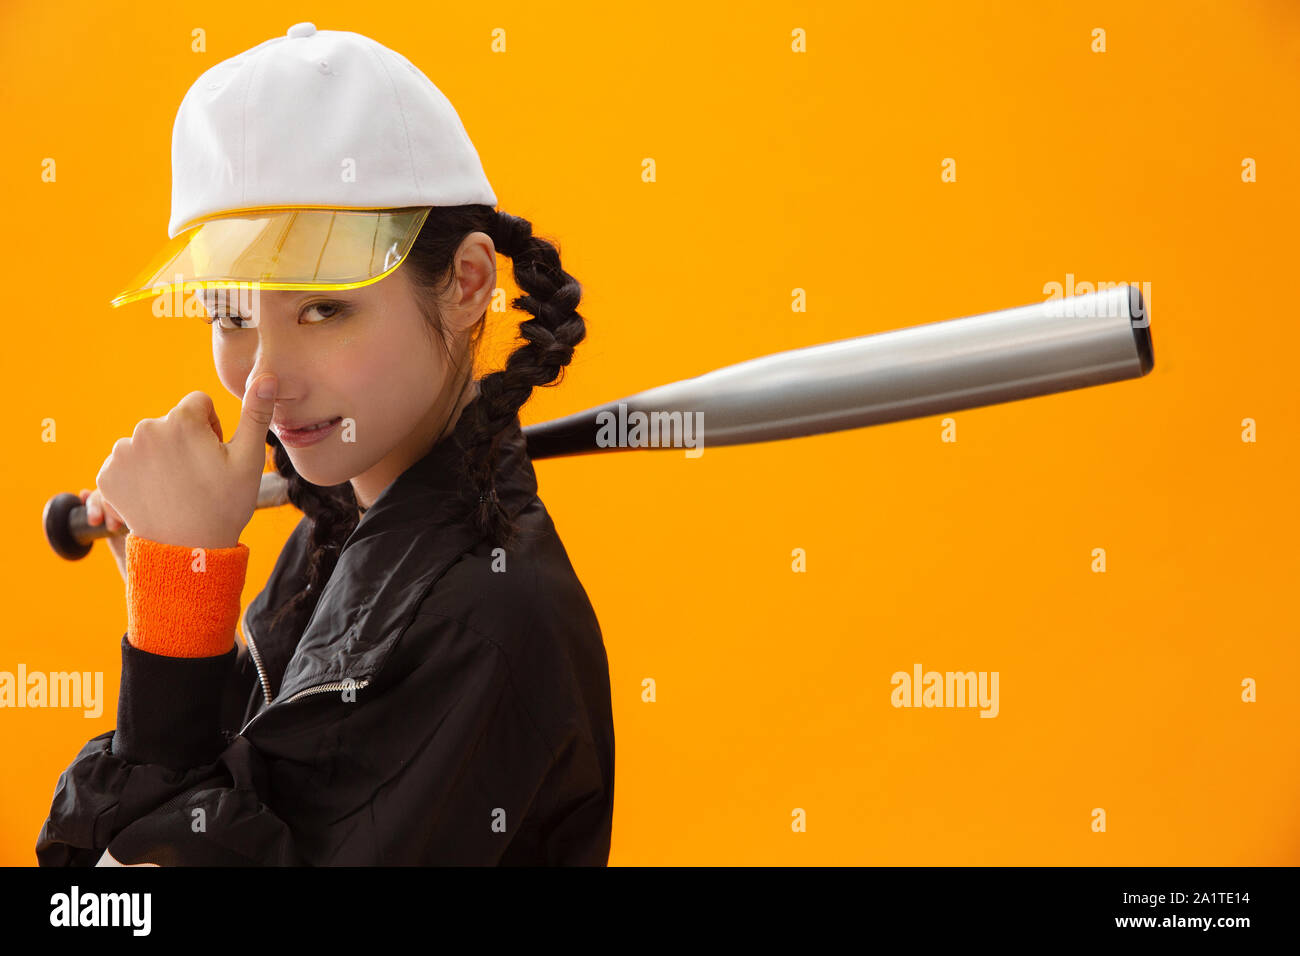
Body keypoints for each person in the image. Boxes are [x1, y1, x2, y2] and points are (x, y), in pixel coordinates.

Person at [35, 22, 613, 866]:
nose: (262, 380)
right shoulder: (331, 539)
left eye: (323, 308)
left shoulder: (484, 619)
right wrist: (185, 610)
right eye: (231, 317)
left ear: (466, 284)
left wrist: (177, 618)